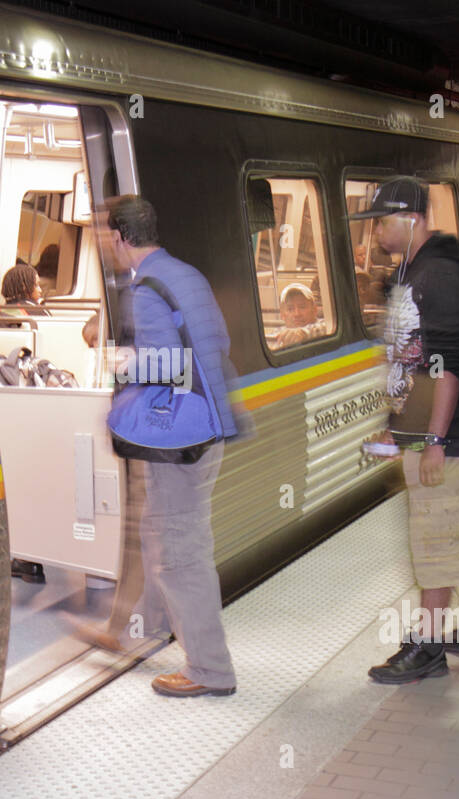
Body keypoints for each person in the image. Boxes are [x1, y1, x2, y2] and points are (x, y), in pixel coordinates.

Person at [84, 194, 239, 697]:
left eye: (106, 236)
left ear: (121, 238)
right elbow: (218, 344)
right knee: (158, 531)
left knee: (180, 554)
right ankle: (145, 629)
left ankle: (210, 671)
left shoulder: (146, 290)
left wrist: (117, 360)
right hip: (210, 426)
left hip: (180, 440)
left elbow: (170, 365)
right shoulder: (186, 274)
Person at [353, 177, 459, 684]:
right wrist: (396, 430)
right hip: (422, 432)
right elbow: (408, 362)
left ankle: (428, 647)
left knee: (434, 544)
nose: (376, 231)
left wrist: (433, 440)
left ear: (411, 218)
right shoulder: (412, 273)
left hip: (443, 434)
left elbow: (449, 364)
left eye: (382, 220)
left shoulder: (437, 276)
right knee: (453, 534)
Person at [269, 283, 328, 348]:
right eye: (290, 309)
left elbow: (326, 328)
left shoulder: (328, 325)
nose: (297, 314)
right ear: (282, 315)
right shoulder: (276, 333)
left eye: (302, 307)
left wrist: (303, 333)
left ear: (314, 310)